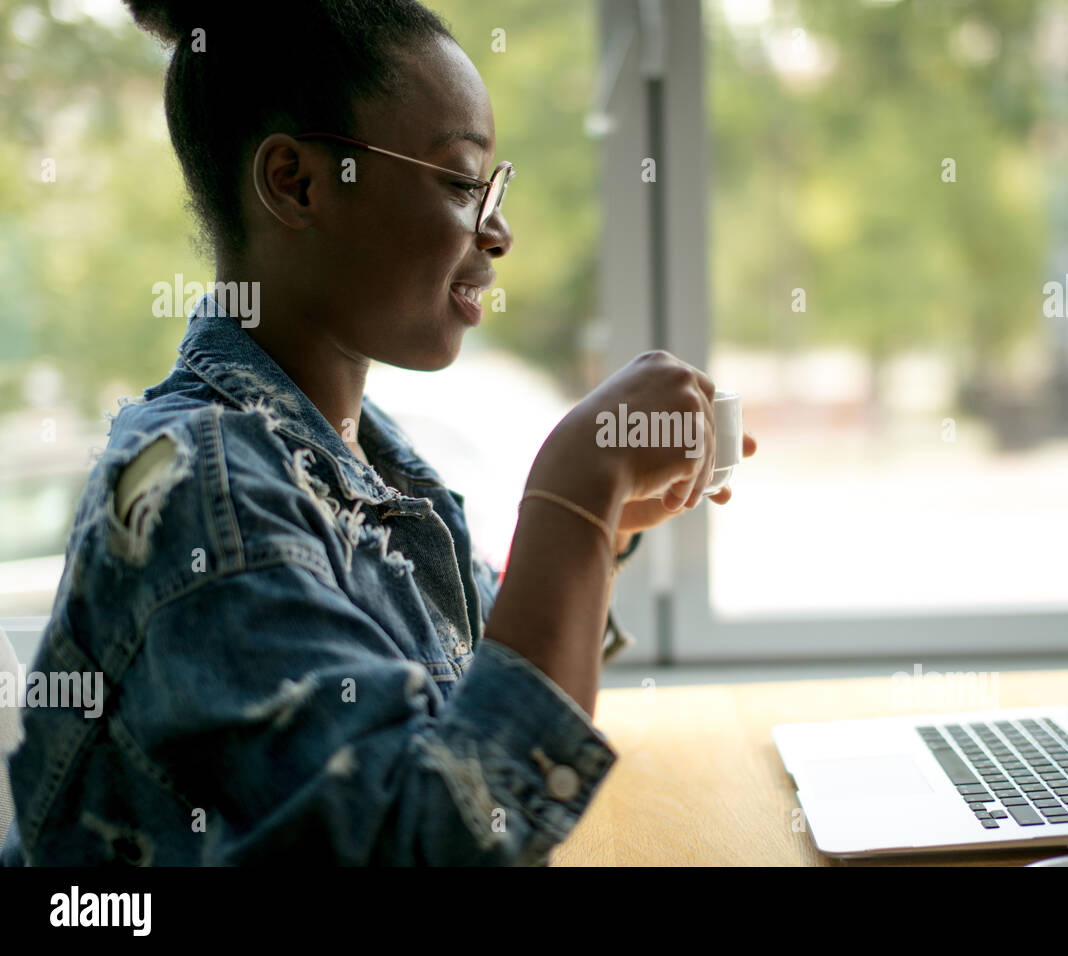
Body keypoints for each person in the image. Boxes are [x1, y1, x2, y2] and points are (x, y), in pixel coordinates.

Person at [0, 0, 755, 866]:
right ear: (298, 184)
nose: (499, 232)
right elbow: (431, 839)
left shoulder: (363, 454)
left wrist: (602, 532)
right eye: (463, 182)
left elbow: (467, 694)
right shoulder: (202, 494)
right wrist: (569, 497)